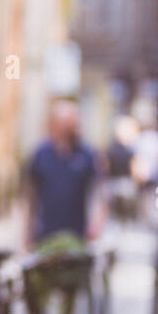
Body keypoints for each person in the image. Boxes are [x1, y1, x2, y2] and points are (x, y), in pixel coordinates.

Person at [23, 98, 106, 249]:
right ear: (55, 124)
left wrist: (97, 224)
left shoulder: (86, 154)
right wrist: (27, 232)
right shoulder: (41, 154)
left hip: (77, 235)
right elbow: (31, 195)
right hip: (45, 234)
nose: (74, 125)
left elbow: (98, 192)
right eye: (69, 122)